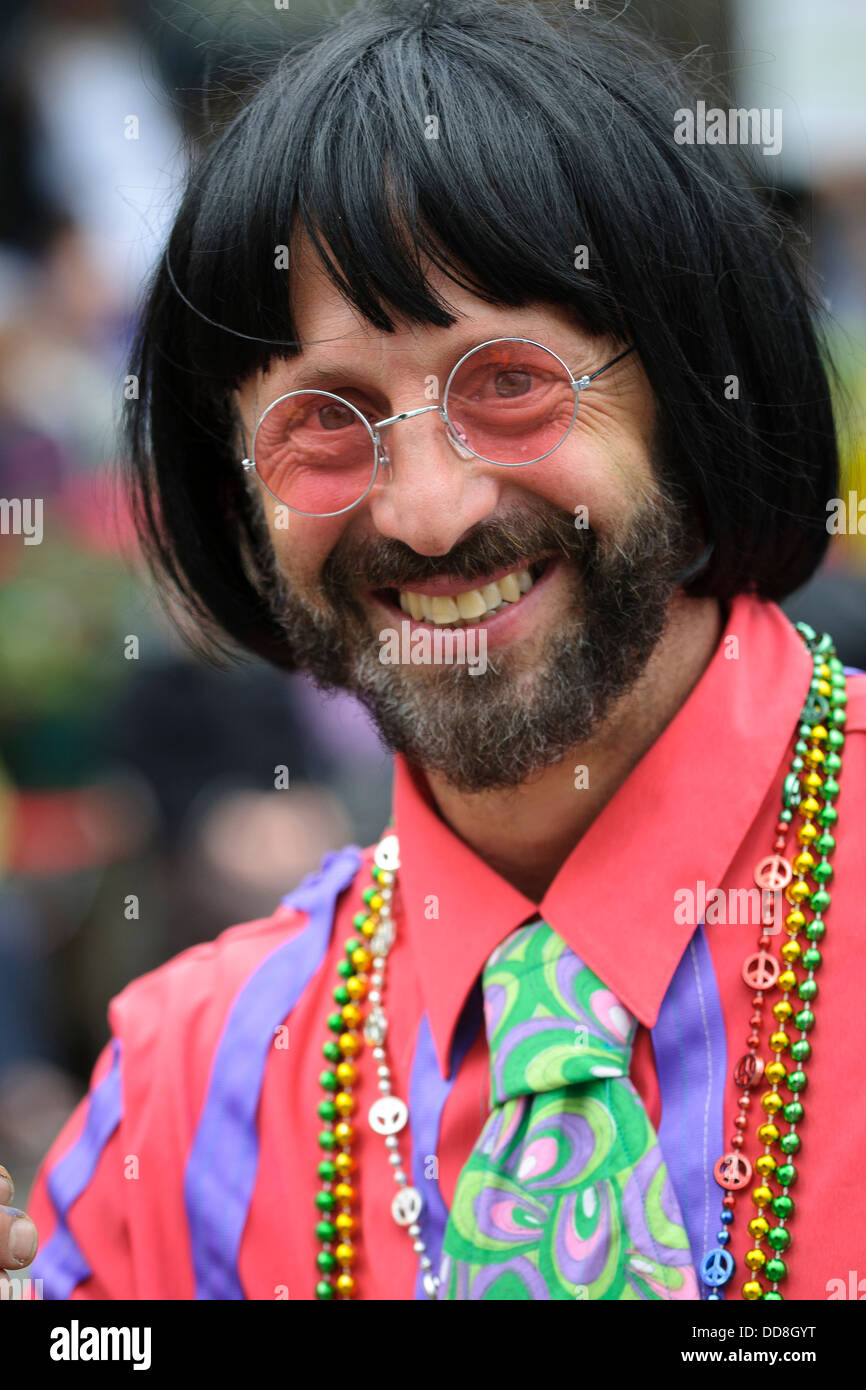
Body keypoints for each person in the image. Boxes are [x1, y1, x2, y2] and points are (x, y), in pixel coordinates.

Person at [5, 0, 864, 1302]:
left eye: (509, 382)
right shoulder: (181, 1092)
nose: (428, 509)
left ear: (689, 404)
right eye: (323, 422)